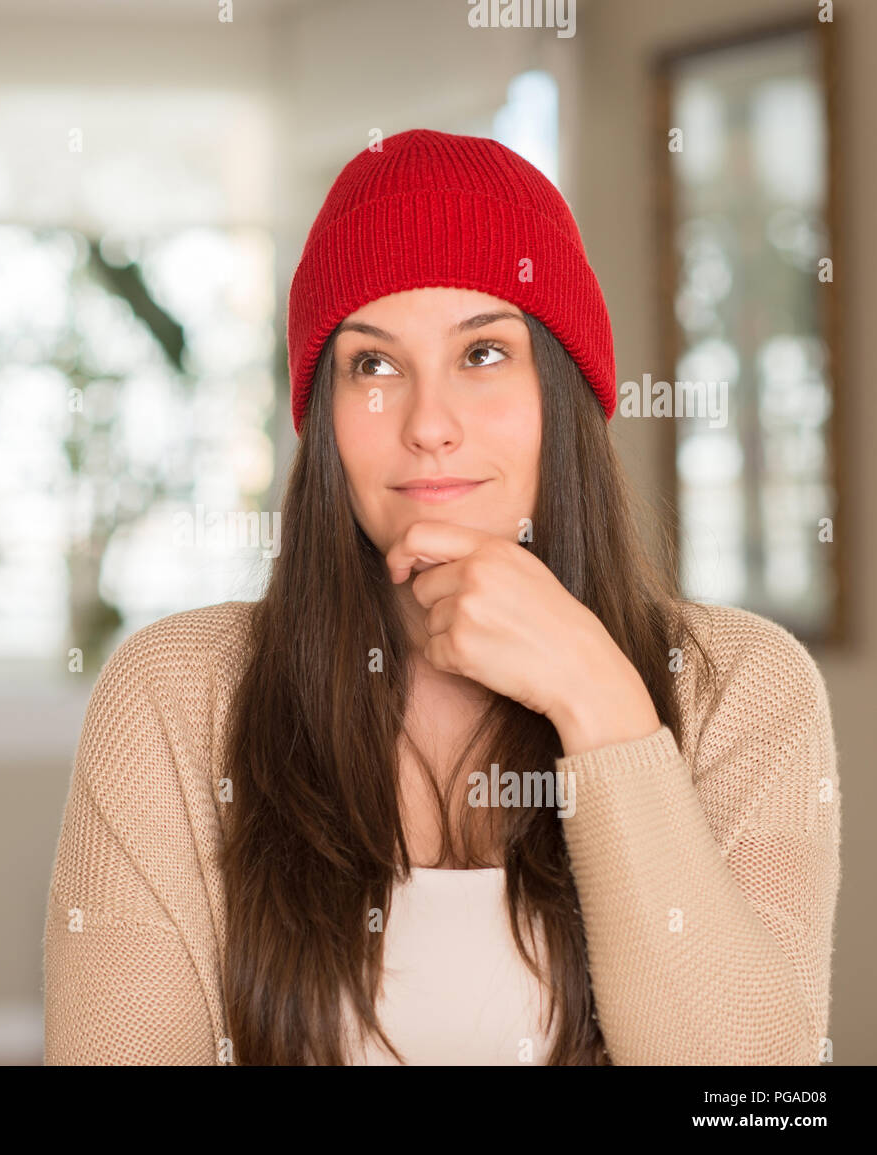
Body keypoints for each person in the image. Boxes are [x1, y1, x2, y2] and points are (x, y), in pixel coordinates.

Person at [42, 129, 841, 1065]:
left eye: (485, 353)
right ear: (323, 416)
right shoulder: (176, 697)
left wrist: (597, 697)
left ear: (563, 390)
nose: (428, 425)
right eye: (373, 366)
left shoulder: (739, 686)